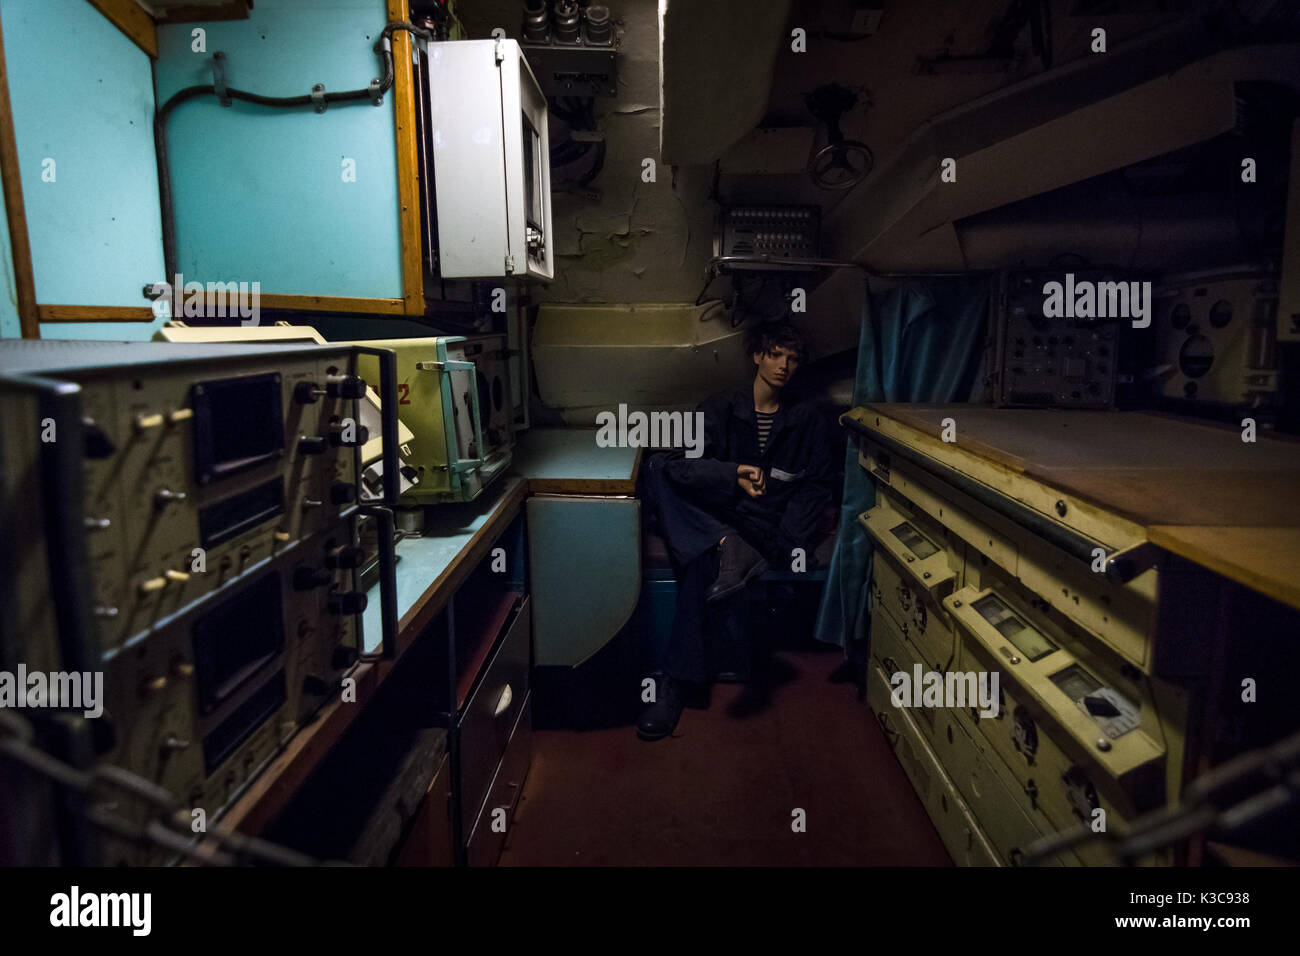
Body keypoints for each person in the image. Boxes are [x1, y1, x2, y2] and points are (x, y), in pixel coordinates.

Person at [635, 322, 833, 740]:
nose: (784, 366)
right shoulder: (721, 407)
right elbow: (679, 464)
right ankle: (727, 546)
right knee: (657, 468)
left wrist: (791, 540)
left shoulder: (807, 419)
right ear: (757, 356)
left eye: (793, 358)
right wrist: (731, 474)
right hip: (723, 517)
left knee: (698, 558)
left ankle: (675, 682)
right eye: (776, 354)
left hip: (767, 529)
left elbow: (817, 486)